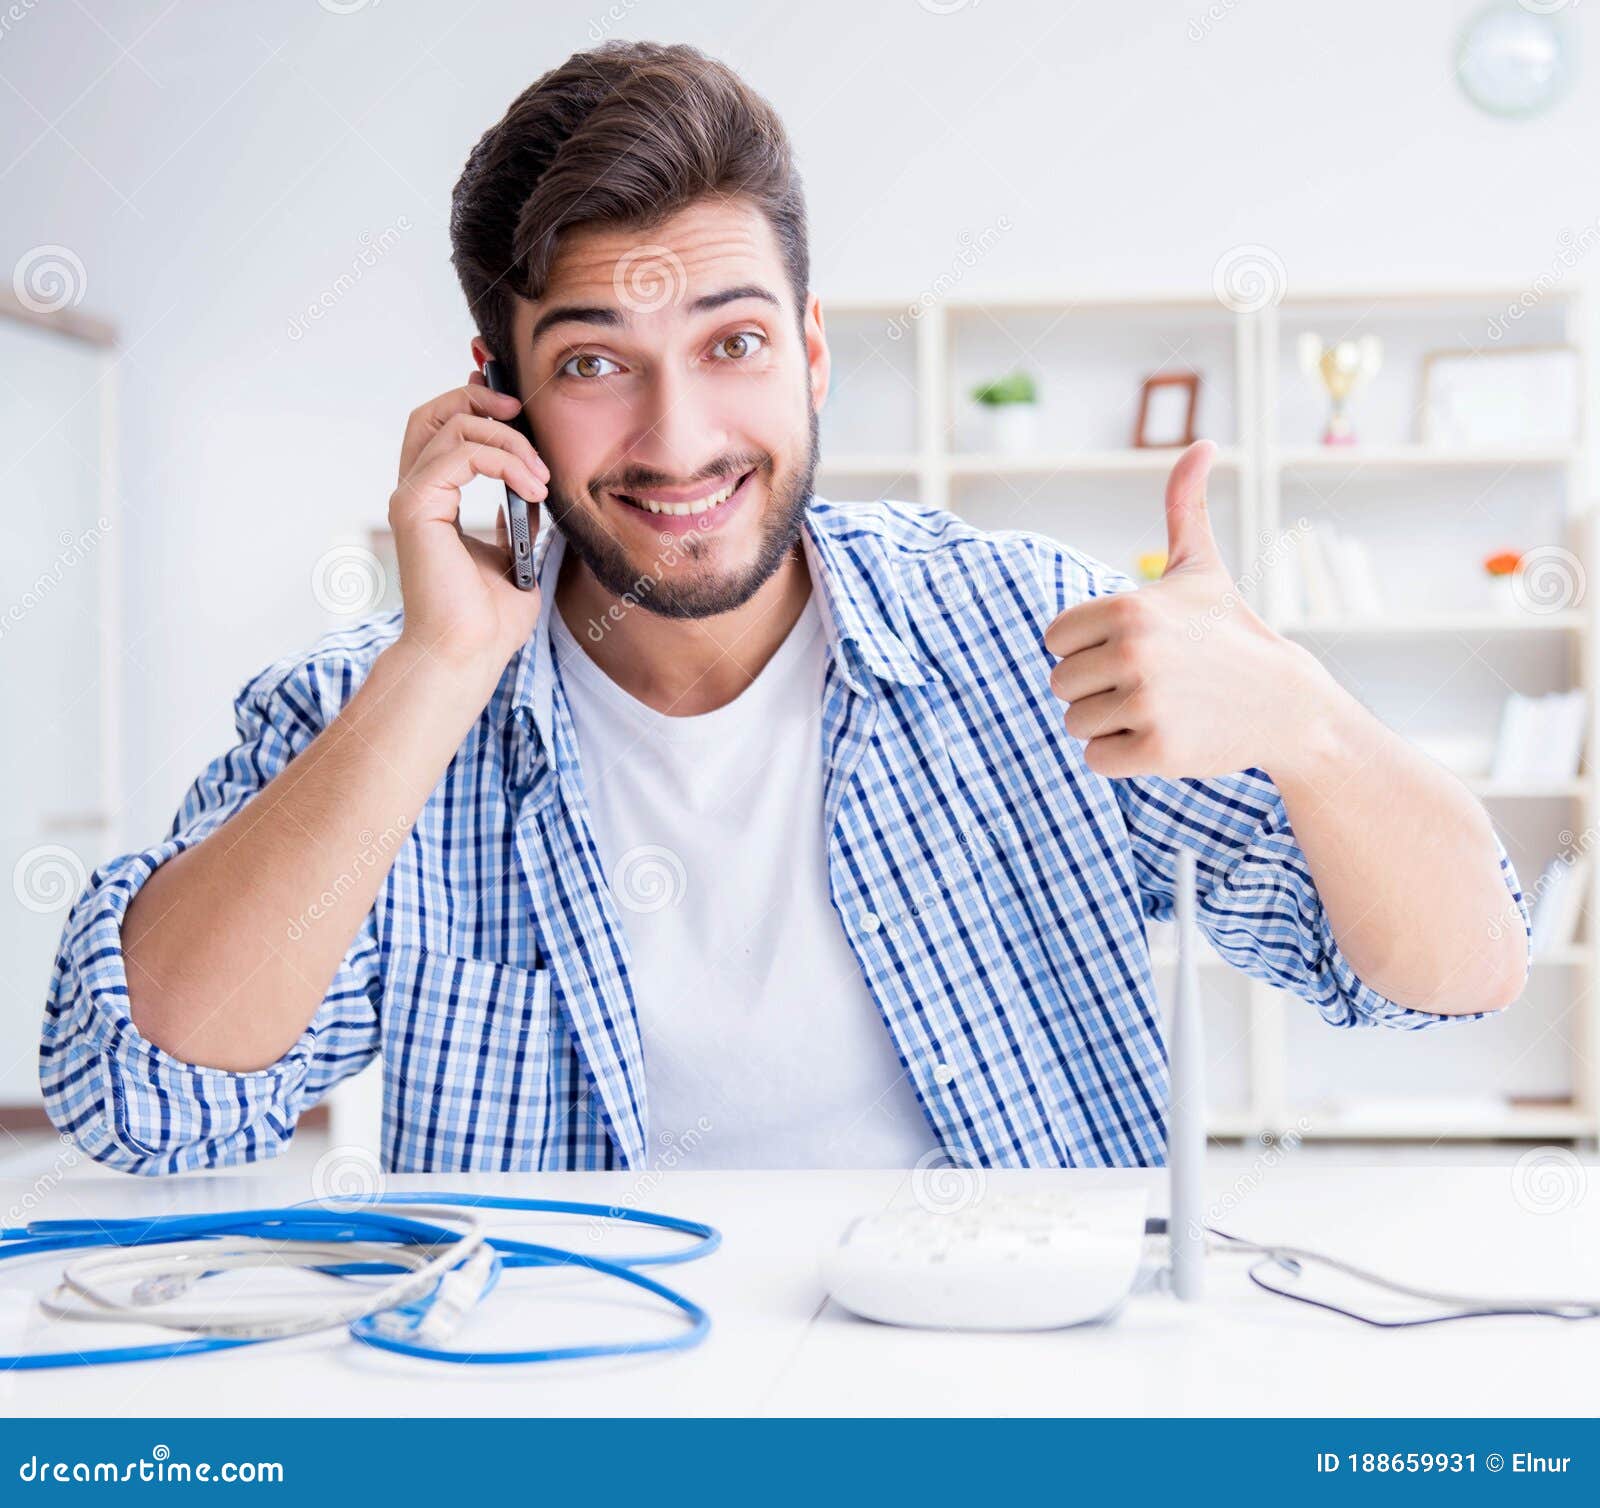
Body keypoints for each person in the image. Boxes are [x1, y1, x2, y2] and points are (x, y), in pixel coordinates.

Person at [41, 40, 1529, 1176]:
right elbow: (145, 1101)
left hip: (1017, 1408)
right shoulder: (376, 712)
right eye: (594, 363)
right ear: (497, 396)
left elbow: (1459, 982)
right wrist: (438, 671)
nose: (680, 439)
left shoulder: (1034, 646)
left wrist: (1315, 728)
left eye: (732, 341)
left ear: (813, 350)